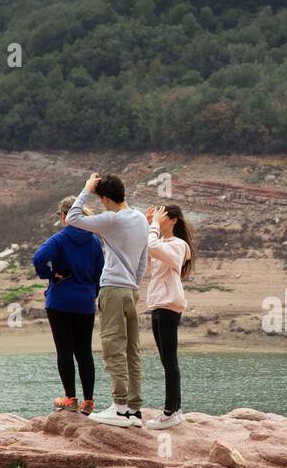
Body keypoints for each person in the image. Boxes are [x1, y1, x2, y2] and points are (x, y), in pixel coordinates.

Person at [66, 173, 149, 427]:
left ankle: (119, 407)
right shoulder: (141, 219)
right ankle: (134, 410)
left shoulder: (112, 220)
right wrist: (134, 284)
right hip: (131, 291)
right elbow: (143, 259)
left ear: (104, 198)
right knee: (132, 350)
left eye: (100, 198)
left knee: (113, 347)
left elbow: (72, 218)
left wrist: (85, 189)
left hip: (112, 289)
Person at [33, 195, 104, 416]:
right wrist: (92, 292)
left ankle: (70, 398)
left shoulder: (60, 239)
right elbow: (100, 271)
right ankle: (89, 402)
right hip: (84, 304)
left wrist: (51, 275)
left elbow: (38, 258)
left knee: (64, 350)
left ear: (65, 215)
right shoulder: (94, 241)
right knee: (84, 352)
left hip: (60, 302)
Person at [143, 203, 193, 429]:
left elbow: (151, 246)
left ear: (173, 220)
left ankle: (170, 411)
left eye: (162, 216)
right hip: (158, 303)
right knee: (166, 359)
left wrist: (151, 226)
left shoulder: (178, 245)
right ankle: (176, 409)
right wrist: (148, 225)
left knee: (170, 359)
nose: (158, 219)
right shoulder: (163, 243)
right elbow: (147, 250)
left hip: (168, 305)